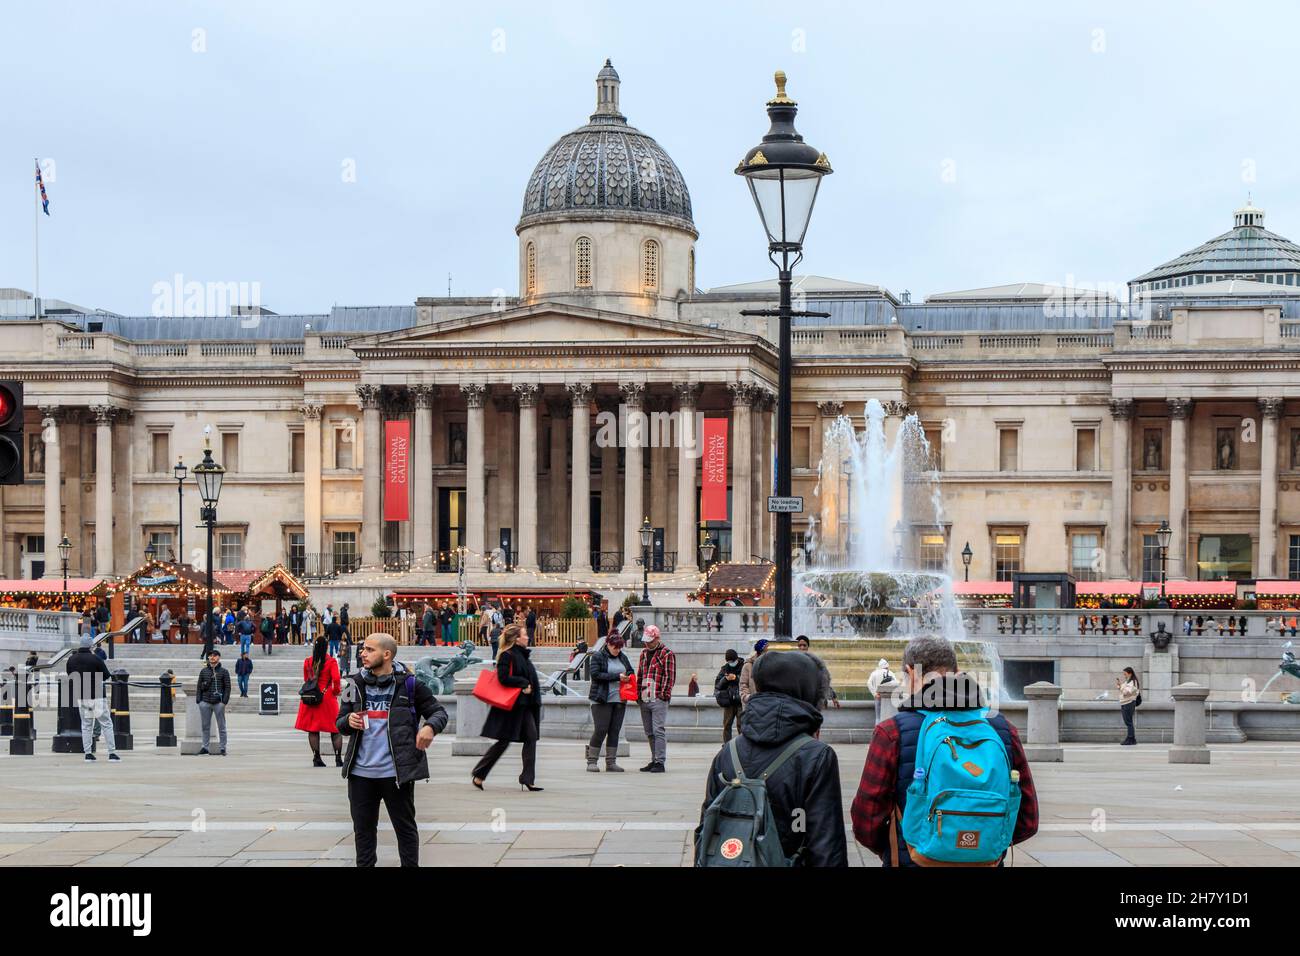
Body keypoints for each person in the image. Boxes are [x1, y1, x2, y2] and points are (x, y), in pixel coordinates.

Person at [849, 635, 1038, 867]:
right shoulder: (1002, 729)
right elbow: (1027, 820)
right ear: (957, 670)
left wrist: (903, 848)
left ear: (910, 673)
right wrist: (980, 847)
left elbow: (865, 821)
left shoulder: (892, 732)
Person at [694, 651, 847, 866]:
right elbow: (827, 846)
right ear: (809, 693)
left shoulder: (728, 751)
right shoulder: (817, 756)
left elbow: (706, 831)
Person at [337, 633, 448, 867]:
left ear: (386, 654)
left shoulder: (410, 685)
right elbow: (339, 723)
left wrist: (429, 727)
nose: (362, 654)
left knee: (405, 830)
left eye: (369, 650)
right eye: (363, 649)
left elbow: (439, 712)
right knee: (363, 833)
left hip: (397, 775)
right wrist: (348, 720)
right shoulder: (353, 685)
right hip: (360, 775)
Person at [471, 623, 543, 791]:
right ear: (517, 639)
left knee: (531, 738)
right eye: (525, 634)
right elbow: (503, 678)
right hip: (511, 707)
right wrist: (523, 683)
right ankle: (479, 774)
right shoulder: (507, 655)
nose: (527, 637)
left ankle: (527, 778)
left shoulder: (523, 655)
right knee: (503, 742)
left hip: (525, 706)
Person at [586, 630, 634, 772]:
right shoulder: (597, 656)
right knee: (601, 729)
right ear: (608, 644)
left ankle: (611, 762)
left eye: (619, 647)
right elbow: (595, 675)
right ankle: (592, 761)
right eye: (615, 647)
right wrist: (617, 676)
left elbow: (630, 671)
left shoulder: (622, 657)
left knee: (614, 731)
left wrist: (628, 676)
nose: (617, 650)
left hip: (619, 699)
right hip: (601, 699)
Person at [67, 636, 119, 761]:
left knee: (86, 725)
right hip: (97, 695)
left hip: (82, 695)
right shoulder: (96, 659)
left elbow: (70, 675)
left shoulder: (71, 659)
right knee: (106, 723)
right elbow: (106, 675)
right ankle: (111, 753)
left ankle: (88, 753)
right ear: (91, 646)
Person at [297, 636, 344, 766]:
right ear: (327, 647)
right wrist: (335, 692)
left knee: (313, 730)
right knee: (335, 730)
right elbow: (336, 679)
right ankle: (338, 758)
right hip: (326, 696)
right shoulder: (331, 661)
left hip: (311, 697)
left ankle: (316, 757)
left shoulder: (308, 661)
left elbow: (307, 679)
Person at [636, 624, 675, 773]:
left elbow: (669, 676)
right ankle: (654, 759)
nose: (647, 643)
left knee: (658, 730)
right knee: (649, 732)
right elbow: (640, 674)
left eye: (650, 641)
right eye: (646, 641)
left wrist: (663, 695)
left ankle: (660, 761)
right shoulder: (644, 653)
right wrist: (638, 695)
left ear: (657, 638)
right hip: (645, 697)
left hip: (658, 698)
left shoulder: (667, 654)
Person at [195, 650, 231, 756]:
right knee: (205, 726)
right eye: (210, 656)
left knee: (222, 726)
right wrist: (199, 701)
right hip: (205, 702)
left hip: (218, 702)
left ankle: (222, 747)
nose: (212, 657)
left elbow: (227, 687)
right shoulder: (204, 671)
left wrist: (224, 702)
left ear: (219, 657)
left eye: (214, 656)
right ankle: (205, 747)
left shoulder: (224, 671)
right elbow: (199, 687)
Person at [795, 635, 840, 713]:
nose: (802, 648)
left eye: (804, 645)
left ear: (808, 647)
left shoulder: (814, 662)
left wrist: (833, 696)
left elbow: (823, 680)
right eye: (799, 645)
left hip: (809, 702)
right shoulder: (791, 662)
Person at [714, 648, 744, 742]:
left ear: (736, 659)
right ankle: (726, 745)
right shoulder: (724, 669)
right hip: (729, 702)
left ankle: (743, 744)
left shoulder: (744, 666)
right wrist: (725, 679)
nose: (731, 663)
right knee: (727, 725)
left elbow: (747, 681)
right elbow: (718, 685)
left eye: (733, 661)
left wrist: (736, 678)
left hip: (740, 701)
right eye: (729, 661)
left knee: (741, 725)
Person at [740, 638, 768, 711]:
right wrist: (748, 697)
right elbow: (743, 685)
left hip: (768, 706)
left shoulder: (771, 664)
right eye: (766, 651)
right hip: (752, 707)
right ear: (760, 652)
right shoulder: (748, 665)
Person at [1117, 666, 1140, 746]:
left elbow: (1126, 692)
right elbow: (1123, 690)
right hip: (1125, 702)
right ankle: (1131, 738)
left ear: (1130, 673)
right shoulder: (1128, 681)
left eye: (1125, 674)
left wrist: (1122, 688)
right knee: (1128, 722)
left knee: (1128, 722)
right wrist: (1120, 686)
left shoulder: (1133, 682)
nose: (1124, 675)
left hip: (1129, 703)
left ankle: (1130, 739)